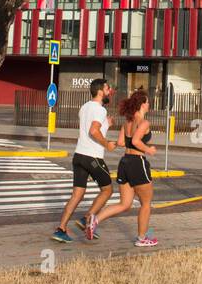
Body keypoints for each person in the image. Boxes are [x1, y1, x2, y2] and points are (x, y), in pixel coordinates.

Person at [87, 88, 158, 247]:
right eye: (147, 102)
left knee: (125, 204)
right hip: (137, 162)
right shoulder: (144, 122)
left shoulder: (127, 122)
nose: (149, 104)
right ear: (142, 104)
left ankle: (95, 219)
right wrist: (149, 150)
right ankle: (142, 238)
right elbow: (135, 142)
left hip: (124, 163)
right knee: (146, 204)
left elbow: (120, 143)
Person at [52, 78, 117, 244]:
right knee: (107, 190)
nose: (110, 90)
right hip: (92, 157)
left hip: (79, 155)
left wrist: (107, 125)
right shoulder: (99, 110)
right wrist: (107, 144)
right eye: (108, 87)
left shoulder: (85, 107)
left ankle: (61, 229)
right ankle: (86, 219)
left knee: (77, 195)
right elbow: (93, 131)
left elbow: (92, 129)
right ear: (101, 91)